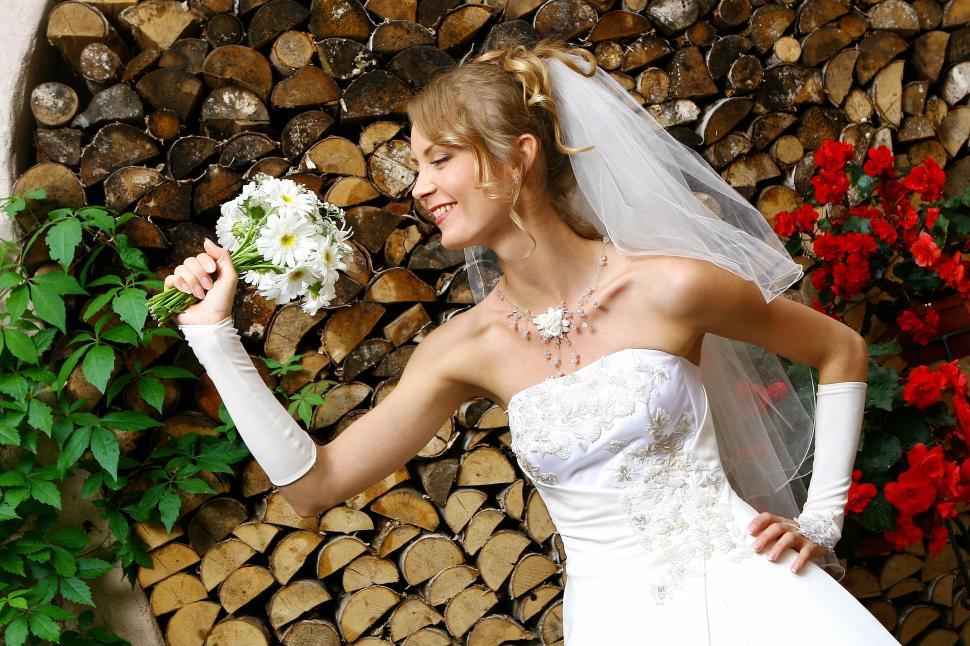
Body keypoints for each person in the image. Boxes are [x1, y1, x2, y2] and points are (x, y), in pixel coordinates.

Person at [167, 38, 900, 644]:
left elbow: (842, 351)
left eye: (439, 158)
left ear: (517, 157)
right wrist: (215, 340)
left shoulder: (670, 287)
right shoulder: (464, 349)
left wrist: (821, 521)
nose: (417, 187)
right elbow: (312, 487)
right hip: (613, 623)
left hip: (757, 593)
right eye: (416, 163)